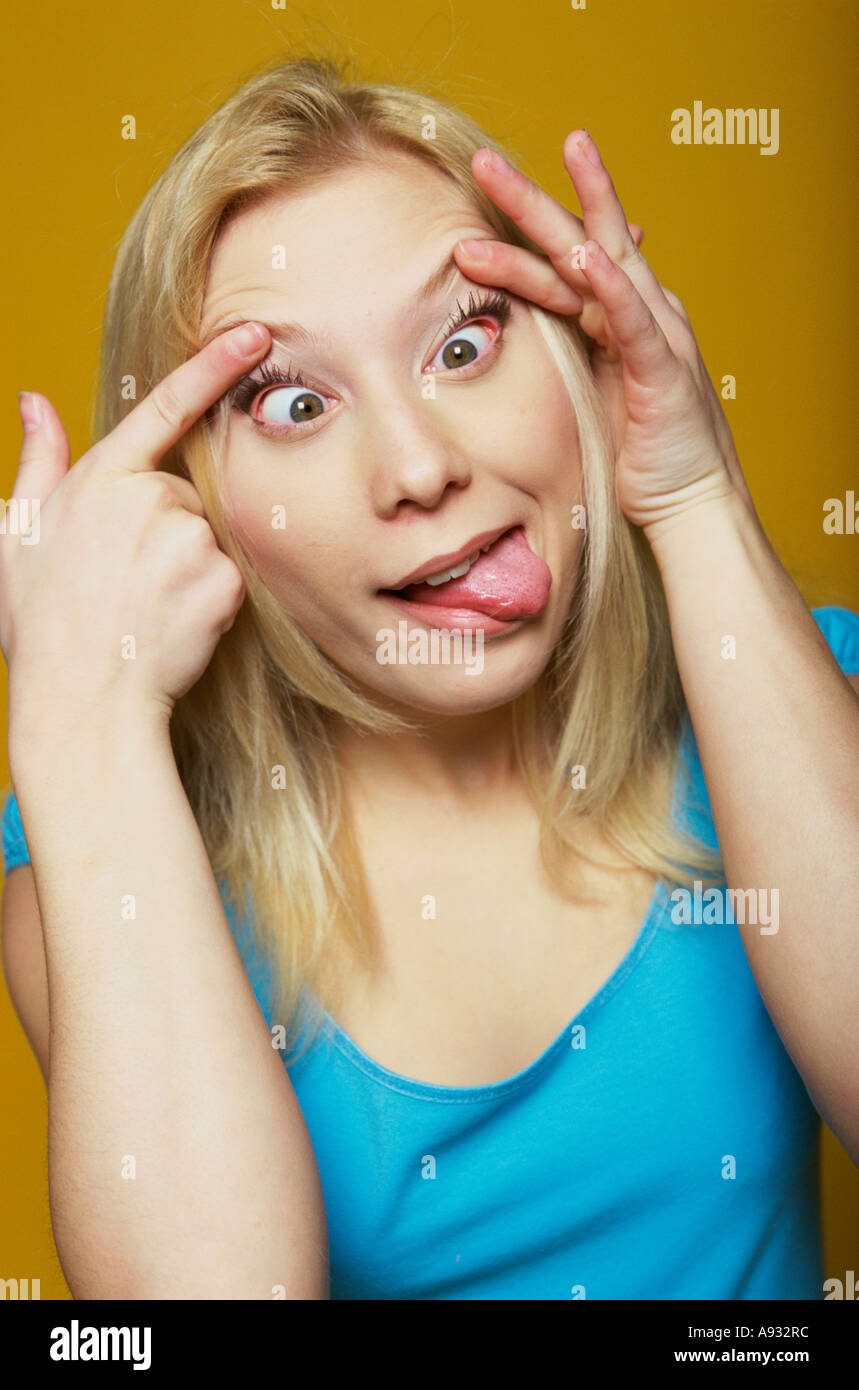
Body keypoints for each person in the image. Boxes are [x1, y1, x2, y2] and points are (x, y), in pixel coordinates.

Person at [1, 54, 857, 1302]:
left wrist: (691, 493)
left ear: (572, 359)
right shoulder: (97, 844)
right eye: (293, 403)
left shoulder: (786, 682)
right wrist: (80, 729)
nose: (417, 466)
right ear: (196, 510)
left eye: (464, 342)